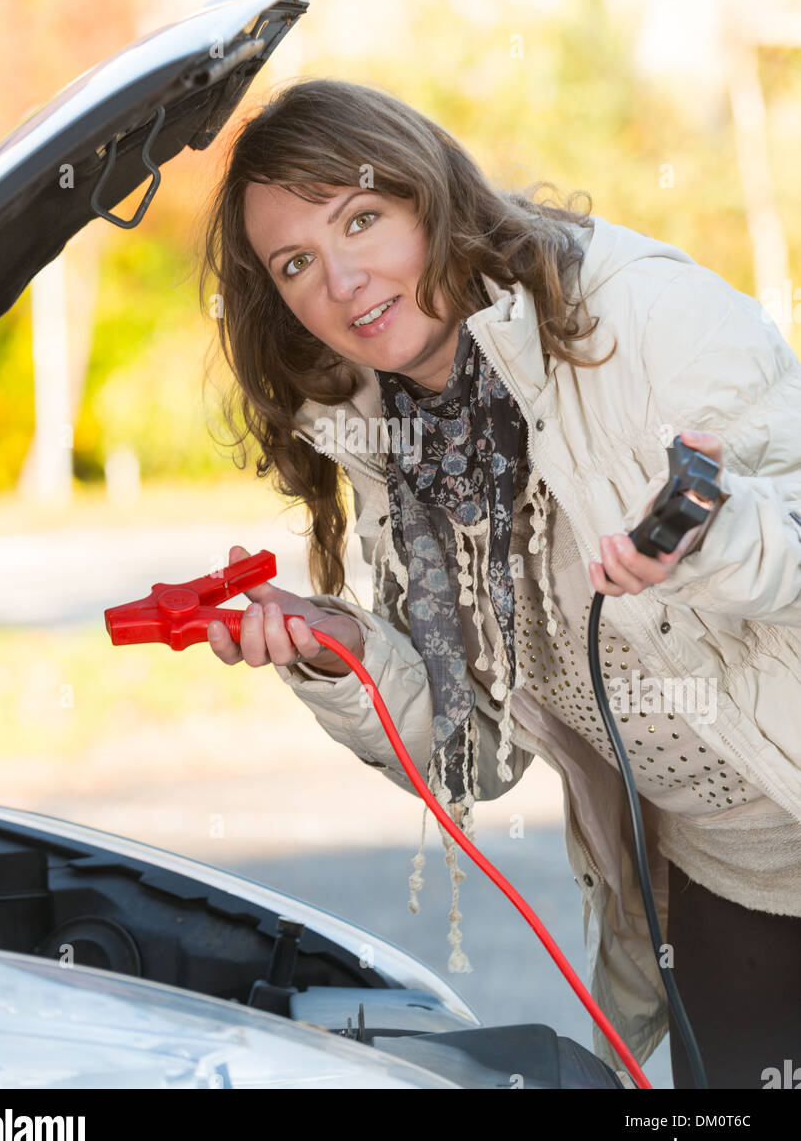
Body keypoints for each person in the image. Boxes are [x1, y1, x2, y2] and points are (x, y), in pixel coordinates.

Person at [199, 77, 801, 1088]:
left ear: (428, 194)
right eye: (298, 262)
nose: (343, 283)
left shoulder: (644, 311)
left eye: (362, 219)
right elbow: (472, 755)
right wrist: (341, 656)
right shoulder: (390, 436)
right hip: (727, 882)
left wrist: (714, 537)